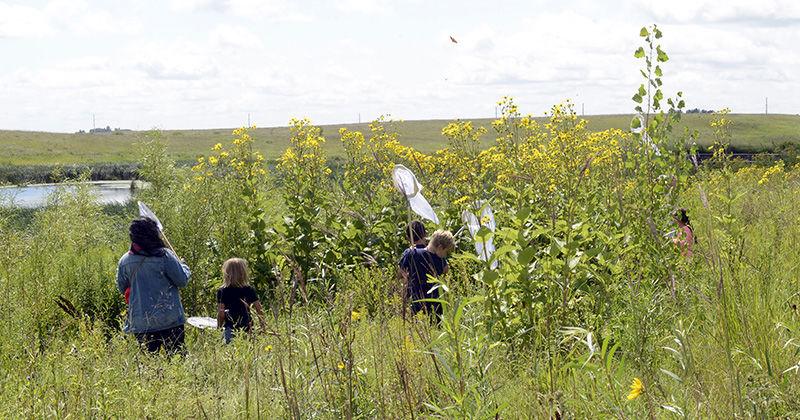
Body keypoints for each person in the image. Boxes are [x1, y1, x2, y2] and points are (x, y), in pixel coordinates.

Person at [116, 218, 190, 354]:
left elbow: (121, 288)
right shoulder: (165, 256)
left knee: (149, 366)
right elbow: (182, 281)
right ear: (153, 234)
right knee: (177, 360)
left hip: (141, 322)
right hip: (170, 319)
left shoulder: (125, 261)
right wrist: (184, 266)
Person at [399, 228, 455, 317]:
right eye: (446, 252)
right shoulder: (440, 261)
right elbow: (446, 271)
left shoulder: (412, 253)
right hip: (435, 305)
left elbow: (401, 271)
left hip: (415, 302)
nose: (445, 255)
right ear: (440, 248)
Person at [216, 258, 267, 344]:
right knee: (248, 349)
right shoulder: (249, 289)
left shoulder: (222, 291)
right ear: (243, 273)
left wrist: (219, 327)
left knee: (230, 351)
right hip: (247, 326)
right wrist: (263, 327)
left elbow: (221, 313)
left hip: (230, 328)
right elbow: (259, 309)